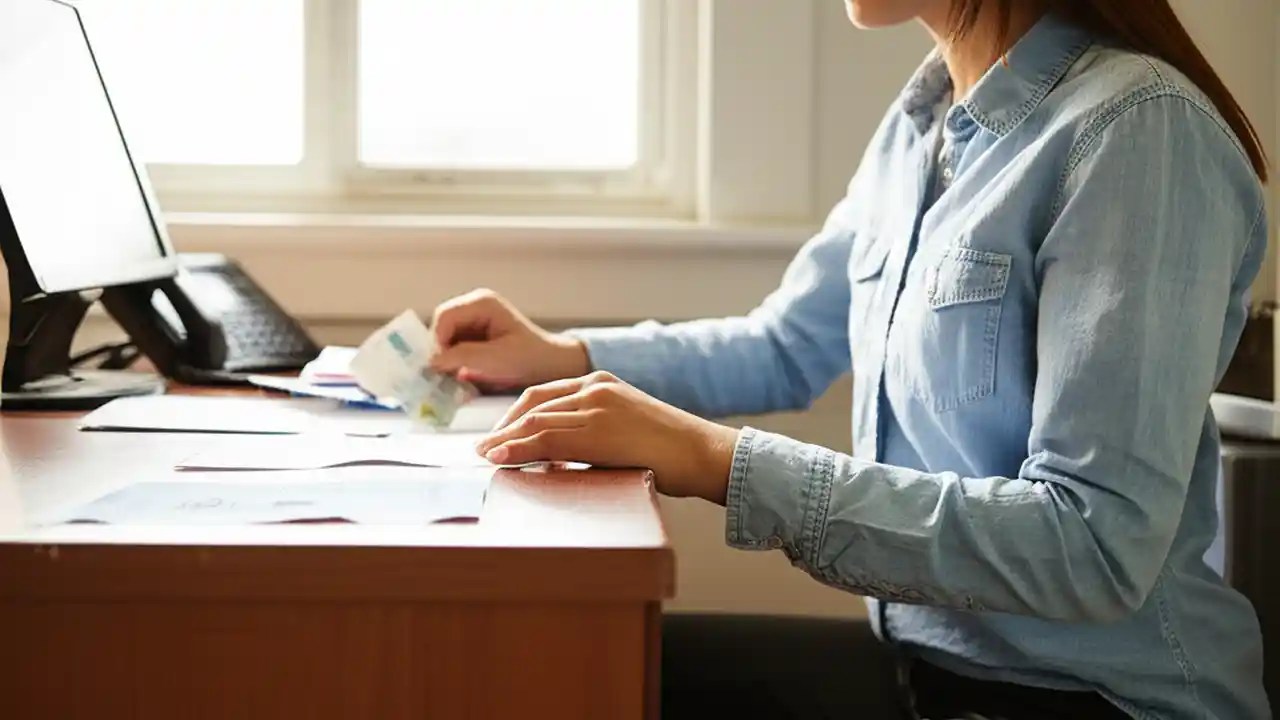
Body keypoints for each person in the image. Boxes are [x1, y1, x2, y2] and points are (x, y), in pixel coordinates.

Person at [430, 0, 1271, 717]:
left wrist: (719, 461)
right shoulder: (924, 122)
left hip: (1094, 701)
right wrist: (563, 357)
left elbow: (1094, 547)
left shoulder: (1139, 132)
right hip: (931, 670)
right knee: (557, 670)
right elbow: (786, 345)